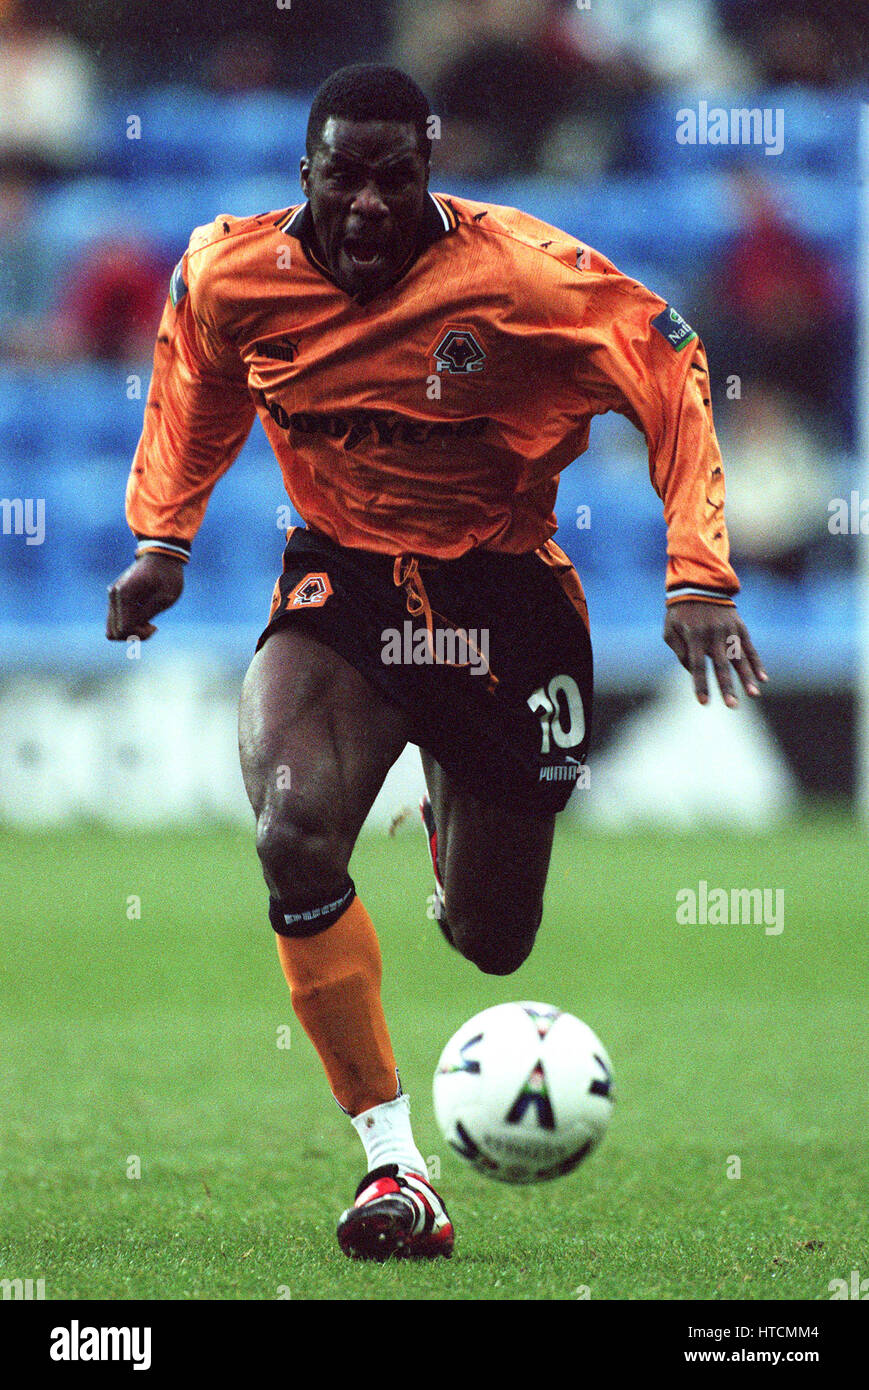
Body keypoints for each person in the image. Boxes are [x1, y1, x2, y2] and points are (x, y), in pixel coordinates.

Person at [106, 63, 766, 1261]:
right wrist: (163, 536)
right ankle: (392, 1168)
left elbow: (669, 360)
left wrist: (695, 572)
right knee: (293, 828)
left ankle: (446, 795)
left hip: (503, 596)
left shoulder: (517, 277)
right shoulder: (231, 271)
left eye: (393, 180)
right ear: (303, 171)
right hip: (342, 578)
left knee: (490, 938)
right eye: (341, 177)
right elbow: (196, 377)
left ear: (429, 173)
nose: (365, 205)